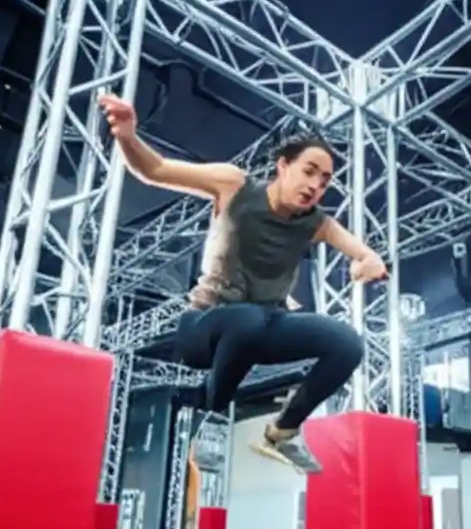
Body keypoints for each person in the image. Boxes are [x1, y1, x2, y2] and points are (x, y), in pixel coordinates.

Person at [99, 93, 387, 474]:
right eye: (309, 171)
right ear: (283, 166)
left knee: (347, 343)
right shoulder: (235, 186)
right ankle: (212, 416)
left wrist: (368, 263)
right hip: (204, 327)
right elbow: (156, 170)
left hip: (263, 328)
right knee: (247, 319)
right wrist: (128, 136)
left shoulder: (316, 222)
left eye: (325, 180)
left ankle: (282, 432)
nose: (315, 185)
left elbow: (366, 253)